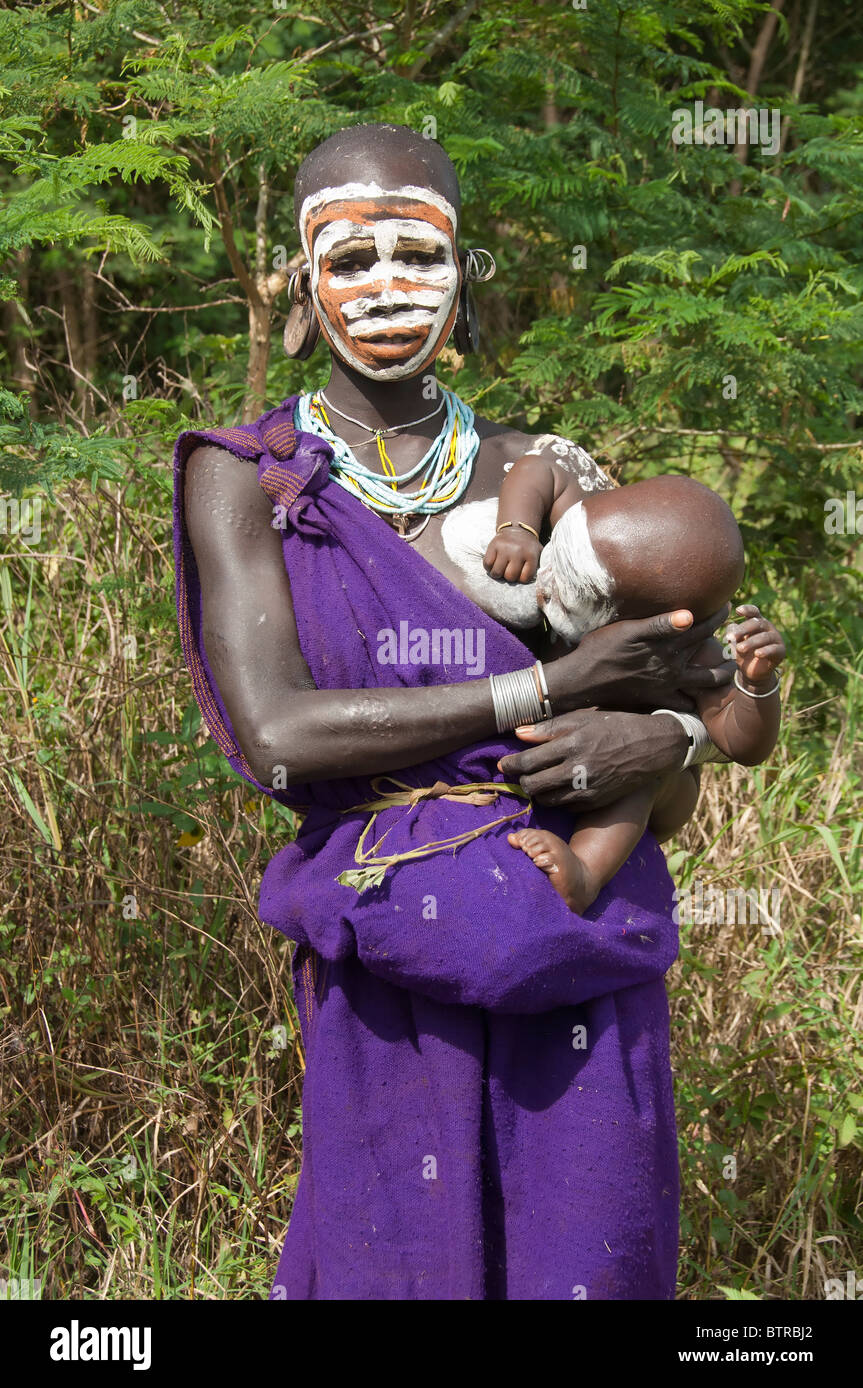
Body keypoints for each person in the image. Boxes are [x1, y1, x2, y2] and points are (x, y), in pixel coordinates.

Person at [172, 122, 739, 1300]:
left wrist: (664, 738)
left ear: (464, 276)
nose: (387, 288)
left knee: (584, 1256)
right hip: (393, 956)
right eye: (350, 256)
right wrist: (545, 688)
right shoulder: (252, 478)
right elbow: (279, 734)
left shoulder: (553, 476)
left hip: (576, 960)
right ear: (295, 284)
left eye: (418, 255)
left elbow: (667, 760)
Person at [479, 467, 785, 911]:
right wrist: (518, 527)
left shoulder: (690, 652)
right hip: (552, 752)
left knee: (643, 769)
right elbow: (539, 470)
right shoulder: (599, 533)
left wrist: (757, 683)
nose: (547, 576)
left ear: (656, 622)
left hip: (637, 791)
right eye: (561, 549)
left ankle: (584, 874)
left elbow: (742, 744)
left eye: (572, 587)